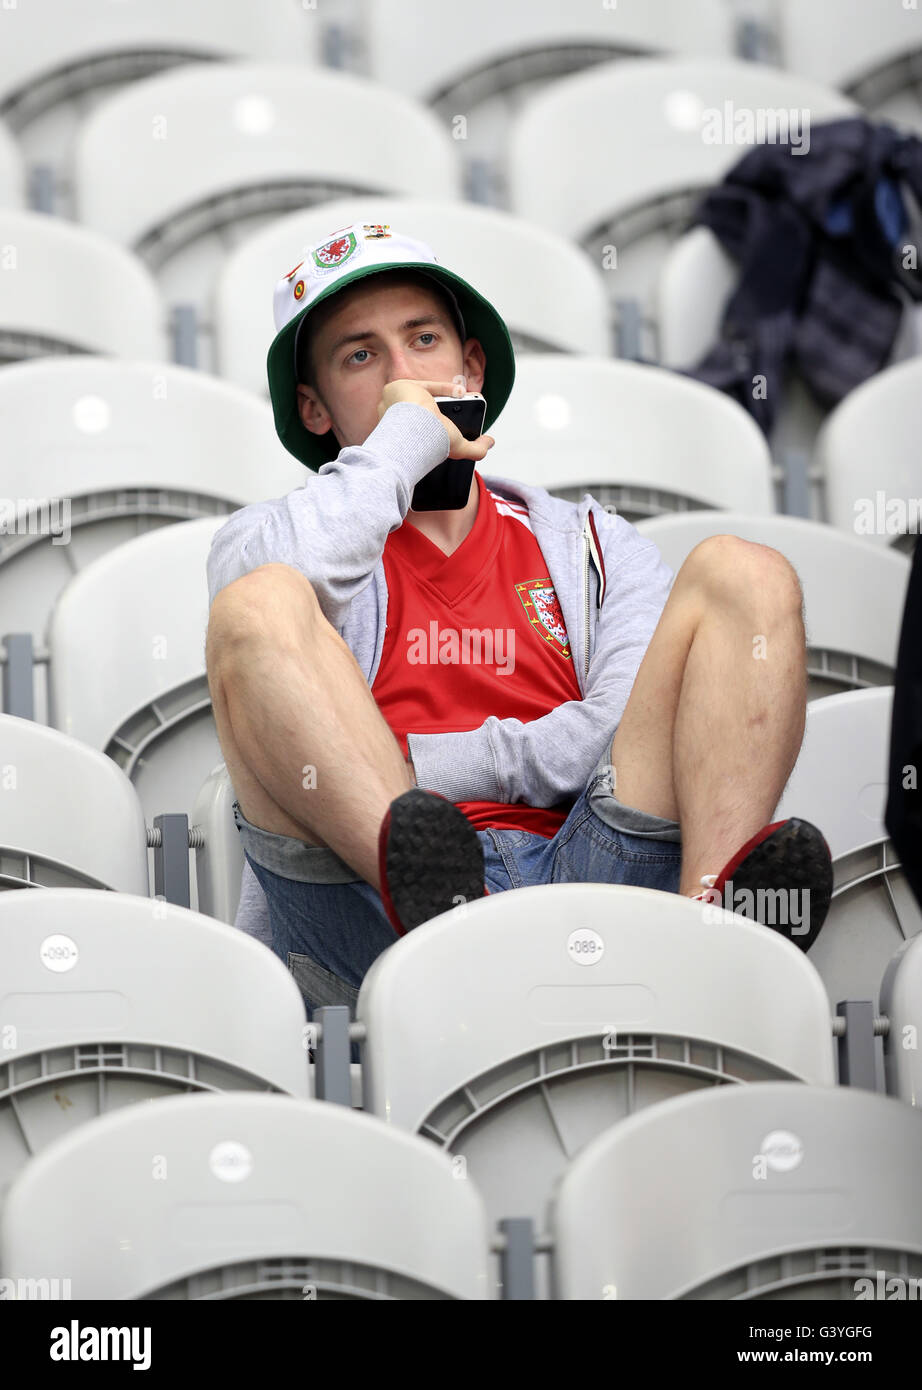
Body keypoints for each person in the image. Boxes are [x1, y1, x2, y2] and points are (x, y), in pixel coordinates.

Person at [205, 222, 832, 1018]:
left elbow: (616, 726)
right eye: (361, 357)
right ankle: (429, 899)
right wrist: (403, 443)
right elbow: (266, 656)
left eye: (423, 340)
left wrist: (413, 763)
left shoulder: (593, 543)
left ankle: (713, 935)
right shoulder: (265, 541)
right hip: (375, 912)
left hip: (595, 862)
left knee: (747, 571)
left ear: (471, 366)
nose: (405, 376)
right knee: (256, 604)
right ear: (315, 408)